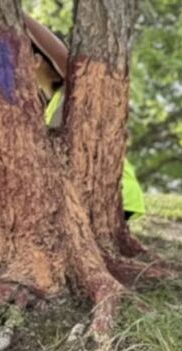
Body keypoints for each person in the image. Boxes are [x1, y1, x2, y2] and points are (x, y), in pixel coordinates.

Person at [25, 16, 146, 218]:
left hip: (111, 194)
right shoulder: (50, 107)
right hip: (88, 197)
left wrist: (20, 14)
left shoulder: (74, 92)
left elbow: (61, 56)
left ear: (36, 60)